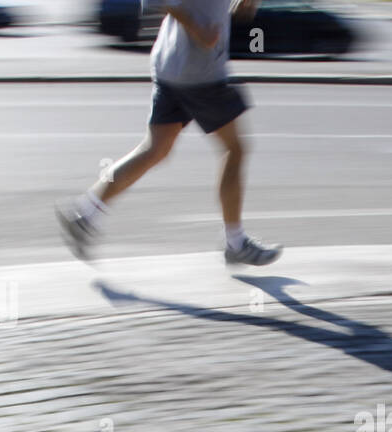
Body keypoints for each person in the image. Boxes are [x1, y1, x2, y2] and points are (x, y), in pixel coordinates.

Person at [56, 0, 281, 267]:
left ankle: (84, 213)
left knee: (155, 150)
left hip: (172, 66)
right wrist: (198, 29)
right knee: (235, 149)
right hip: (199, 73)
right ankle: (235, 243)